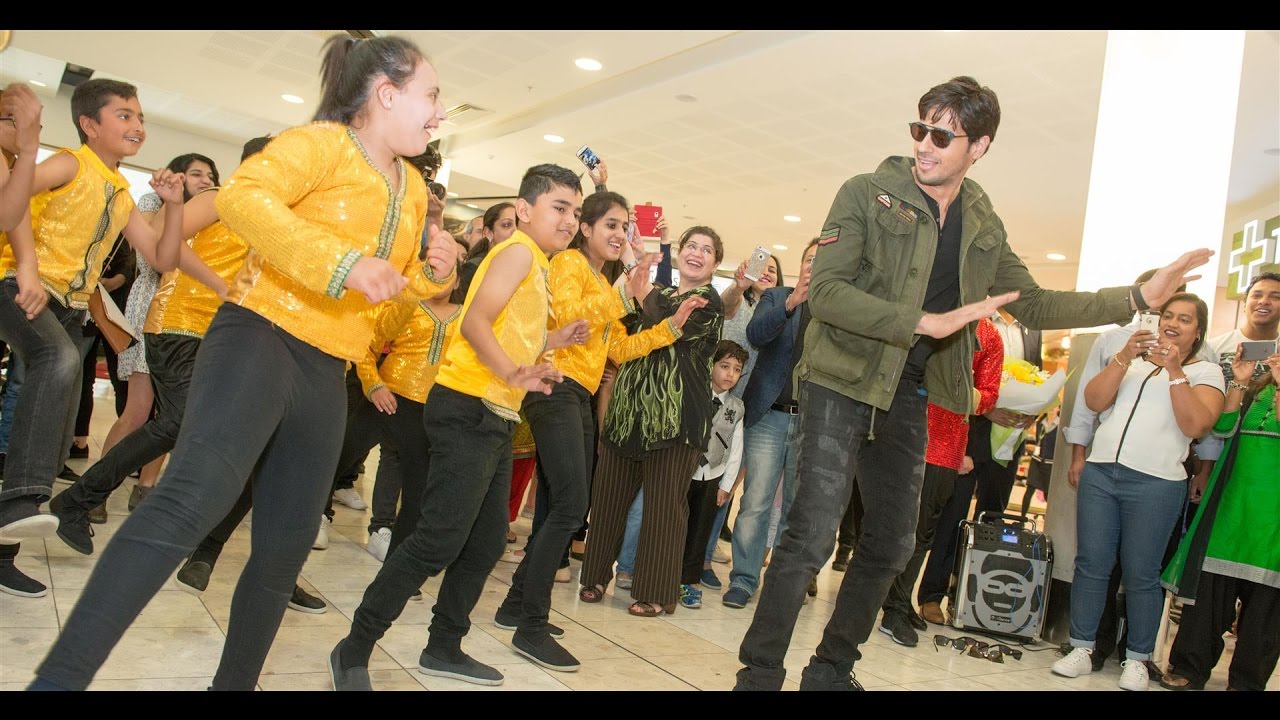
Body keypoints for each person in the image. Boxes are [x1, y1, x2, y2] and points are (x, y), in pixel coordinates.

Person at [731, 75, 1214, 692]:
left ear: (978, 146)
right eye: (919, 129)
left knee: (892, 542)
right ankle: (760, 672)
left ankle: (830, 669)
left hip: (908, 393)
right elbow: (824, 293)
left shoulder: (981, 222)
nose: (924, 145)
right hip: (840, 379)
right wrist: (920, 321)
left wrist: (1133, 297)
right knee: (810, 534)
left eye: (942, 134)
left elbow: (1032, 302)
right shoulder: (866, 193)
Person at [30, 35, 458, 691]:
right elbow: (242, 199)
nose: (438, 112)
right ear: (387, 93)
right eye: (431, 95)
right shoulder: (319, 144)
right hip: (258, 336)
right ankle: (56, 681)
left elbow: (386, 287)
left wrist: (427, 278)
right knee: (188, 502)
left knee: (284, 548)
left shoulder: (414, 192)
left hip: (326, 371)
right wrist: (343, 264)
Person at [329, 163, 587, 690]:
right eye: (560, 208)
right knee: (437, 539)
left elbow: (507, 330)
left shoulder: (534, 264)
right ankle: (353, 647)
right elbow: (474, 321)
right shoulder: (517, 251)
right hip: (469, 405)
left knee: (487, 539)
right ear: (524, 209)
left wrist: (551, 345)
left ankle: (444, 646)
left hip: (493, 410)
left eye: (576, 212)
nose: (569, 221)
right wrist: (515, 371)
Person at [495, 189, 702, 671]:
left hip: (580, 394)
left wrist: (670, 325)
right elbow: (572, 322)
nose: (618, 233)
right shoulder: (568, 266)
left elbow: (620, 349)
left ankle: (515, 607)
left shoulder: (605, 279)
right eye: (609, 224)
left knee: (565, 505)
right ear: (585, 229)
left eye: (623, 225)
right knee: (570, 505)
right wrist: (626, 289)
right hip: (554, 386)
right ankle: (529, 623)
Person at [0, 77, 189, 582]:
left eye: (140, 117)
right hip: (16, 283)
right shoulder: (68, 161)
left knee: (58, 420)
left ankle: (8, 547)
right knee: (57, 362)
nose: (137, 126)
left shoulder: (124, 194)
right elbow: (10, 202)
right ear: (89, 125)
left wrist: (173, 206)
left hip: (69, 304)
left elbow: (162, 257)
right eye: (124, 115)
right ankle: (19, 501)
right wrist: (28, 268)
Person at [1051, 293, 1225, 691]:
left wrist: (1176, 371)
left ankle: (1137, 658)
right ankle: (1081, 646)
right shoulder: (1130, 363)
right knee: (1091, 564)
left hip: (1157, 483)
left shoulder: (1206, 373)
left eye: (1185, 319)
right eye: (1168, 315)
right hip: (1101, 475)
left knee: (1141, 573)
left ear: (1198, 331)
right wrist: (1123, 358)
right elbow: (1093, 400)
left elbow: (1196, 424)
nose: (1173, 323)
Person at [578, 225, 725, 618]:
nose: (696, 253)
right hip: (628, 414)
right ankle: (593, 578)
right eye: (690, 246)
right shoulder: (662, 293)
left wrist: (637, 274)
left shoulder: (707, 302)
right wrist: (634, 274)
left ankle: (656, 592)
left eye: (706, 250)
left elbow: (662, 317)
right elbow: (624, 320)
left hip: (675, 421)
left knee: (664, 509)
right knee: (607, 499)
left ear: (715, 263)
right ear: (678, 254)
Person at [1159, 344, 1280, 692]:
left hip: (1274, 517)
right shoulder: (1258, 389)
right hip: (1231, 505)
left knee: (1266, 606)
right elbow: (1222, 429)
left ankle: (1246, 682)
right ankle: (1189, 668)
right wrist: (1240, 383)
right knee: (1209, 594)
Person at [877, 317, 1003, 647]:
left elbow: (989, 396)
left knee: (925, 531)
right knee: (894, 524)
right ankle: (892, 603)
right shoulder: (934, 315)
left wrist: (957, 390)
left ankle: (898, 603)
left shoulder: (988, 334)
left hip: (947, 444)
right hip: (906, 431)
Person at [723, 240, 818, 608]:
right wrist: (793, 302)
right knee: (756, 503)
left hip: (813, 423)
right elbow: (756, 334)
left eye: (821, 260)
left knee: (798, 508)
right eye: (809, 258)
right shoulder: (777, 297)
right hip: (769, 417)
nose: (814, 265)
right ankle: (744, 580)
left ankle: (783, 583)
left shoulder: (835, 308)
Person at [679, 340, 747, 610]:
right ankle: (662, 574)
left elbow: (735, 449)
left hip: (712, 476)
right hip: (684, 471)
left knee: (700, 530)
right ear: (711, 365)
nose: (730, 374)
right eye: (724, 366)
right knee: (674, 525)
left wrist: (726, 485)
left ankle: (689, 581)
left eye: (737, 369)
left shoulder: (737, 408)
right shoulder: (692, 393)